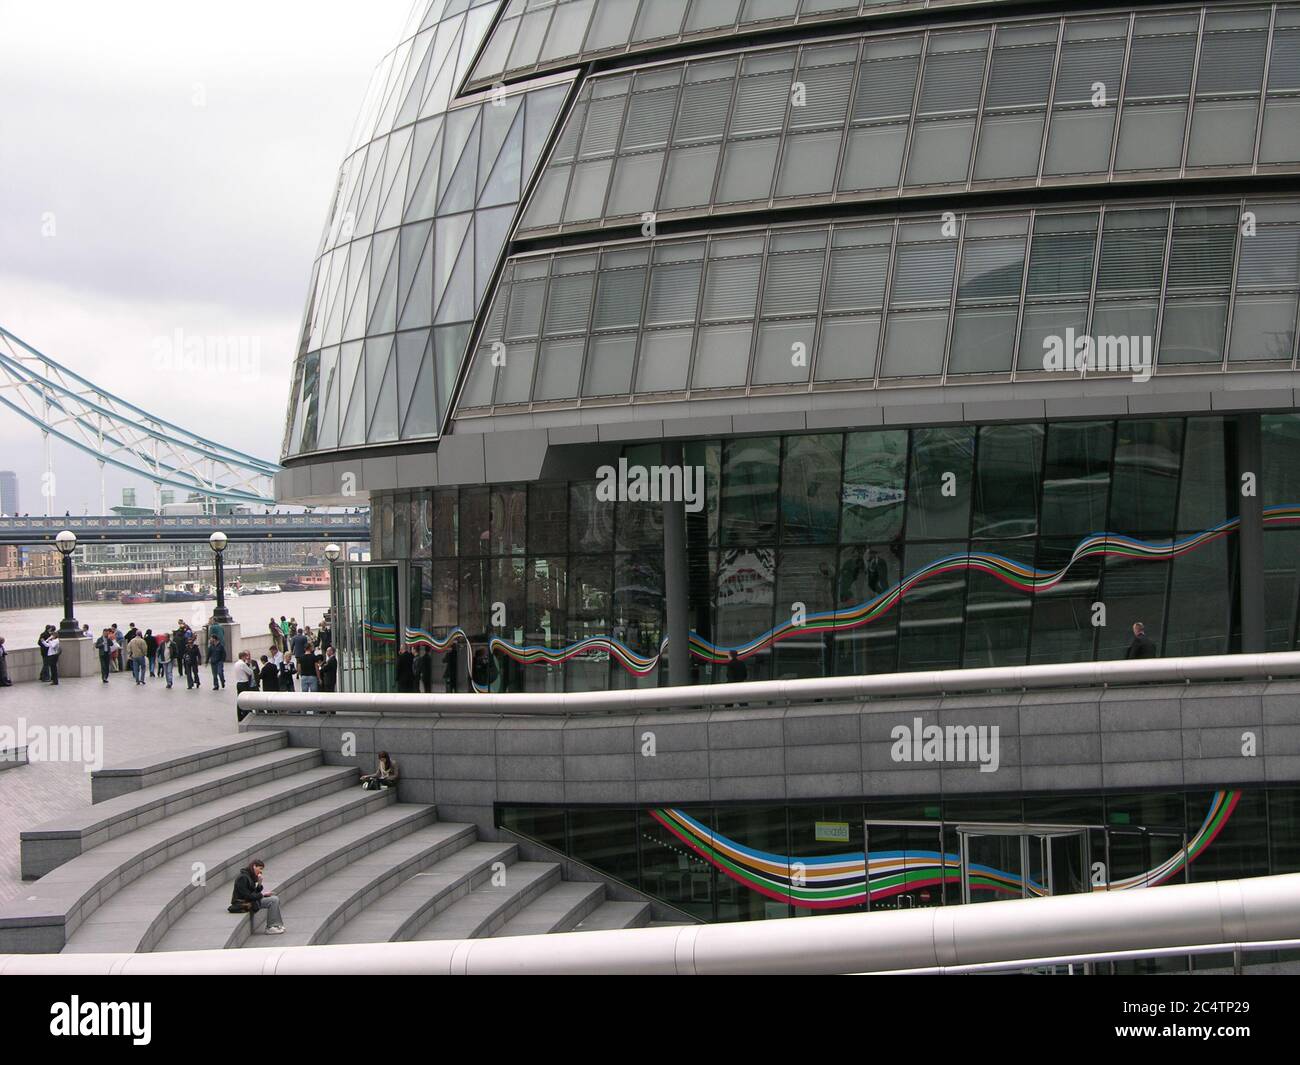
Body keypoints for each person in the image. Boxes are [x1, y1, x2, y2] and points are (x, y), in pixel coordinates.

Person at [228, 859, 285, 935]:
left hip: (251, 901)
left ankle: (277, 924)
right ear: (254, 866)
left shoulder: (249, 876)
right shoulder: (243, 878)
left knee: (275, 898)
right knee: (273, 900)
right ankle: (271, 927)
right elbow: (247, 896)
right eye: (260, 868)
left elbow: (253, 892)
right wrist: (262, 895)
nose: (261, 871)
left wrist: (259, 884)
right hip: (244, 903)